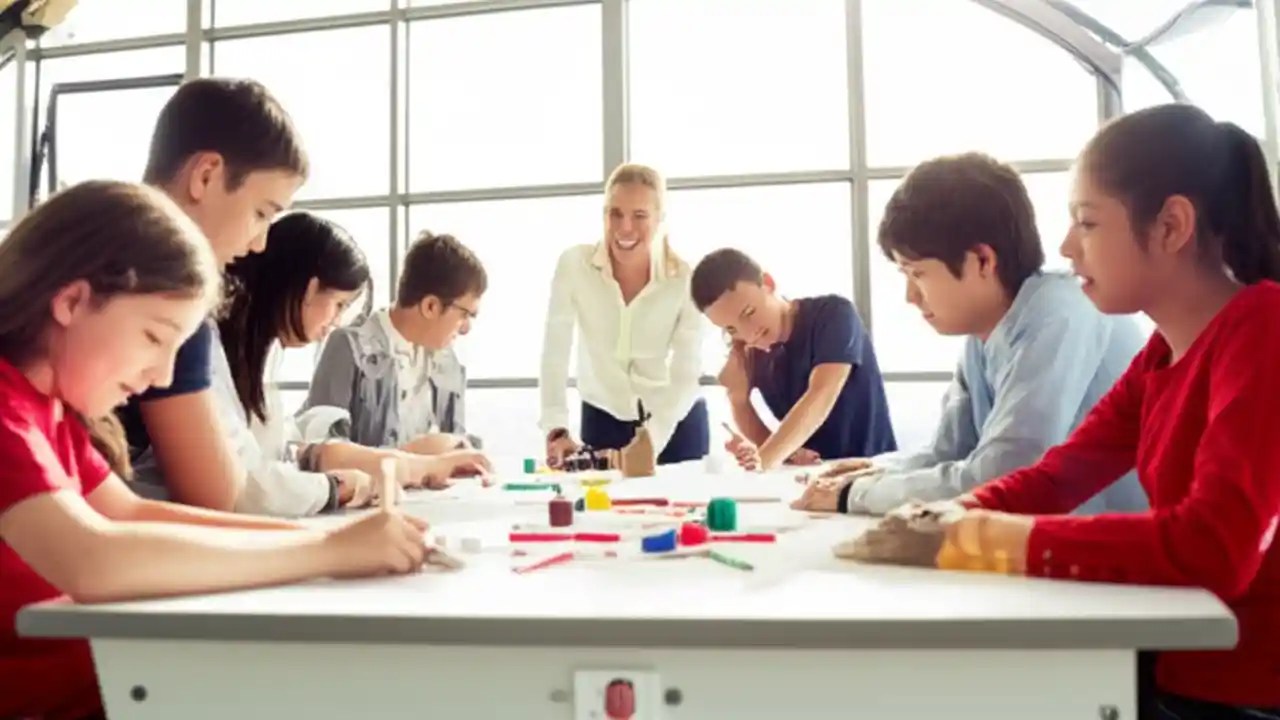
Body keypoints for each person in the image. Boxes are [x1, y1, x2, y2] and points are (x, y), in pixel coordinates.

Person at [842, 104, 1280, 719]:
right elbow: (1056, 476)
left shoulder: (1263, 328)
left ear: (1171, 226)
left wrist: (978, 537)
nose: (1068, 247)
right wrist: (941, 517)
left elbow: (1216, 548)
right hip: (1178, 664)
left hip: (1243, 692)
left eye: (1088, 223)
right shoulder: (1162, 353)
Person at [0, 181, 437, 720]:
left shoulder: (53, 413)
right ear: (72, 301)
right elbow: (94, 559)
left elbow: (130, 513)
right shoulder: (6, 409)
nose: (162, 375)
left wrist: (335, 540)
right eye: (154, 338)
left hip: (119, 685)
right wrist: (329, 552)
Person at [792, 152, 1148, 515]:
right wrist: (875, 470)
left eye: (917, 274)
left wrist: (855, 495)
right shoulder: (984, 334)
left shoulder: (1061, 311)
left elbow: (1006, 470)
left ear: (982, 260)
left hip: (1115, 544)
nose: (910, 296)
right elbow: (949, 451)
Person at [116, 77, 308, 510]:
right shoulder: (163, 290)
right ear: (205, 175)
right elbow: (219, 494)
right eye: (262, 213)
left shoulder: (91, 247)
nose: (259, 244)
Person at [218, 213, 489, 518]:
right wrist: (345, 482)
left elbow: (301, 453)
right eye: (339, 305)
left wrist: (433, 460)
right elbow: (258, 478)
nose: (336, 321)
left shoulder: (447, 363)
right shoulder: (348, 346)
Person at [539, 163, 708, 469]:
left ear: (660, 218)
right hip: (602, 419)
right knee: (600, 501)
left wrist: (649, 444)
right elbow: (555, 351)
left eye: (639, 215)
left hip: (674, 422)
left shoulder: (685, 279)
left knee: (679, 500)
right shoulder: (574, 265)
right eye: (614, 213)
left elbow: (686, 373)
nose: (624, 227)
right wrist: (556, 429)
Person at [692, 248, 896, 471]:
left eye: (749, 313)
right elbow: (778, 449)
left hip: (872, 470)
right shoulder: (750, 353)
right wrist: (737, 399)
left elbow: (821, 393)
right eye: (731, 328)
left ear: (768, 283)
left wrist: (763, 462)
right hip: (809, 477)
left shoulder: (833, 314)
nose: (749, 334)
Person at [305, 229, 489, 458]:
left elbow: (456, 445)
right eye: (465, 315)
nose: (466, 328)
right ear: (430, 306)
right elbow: (319, 453)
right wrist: (410, 457)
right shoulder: (348, 347)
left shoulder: (447, 362)